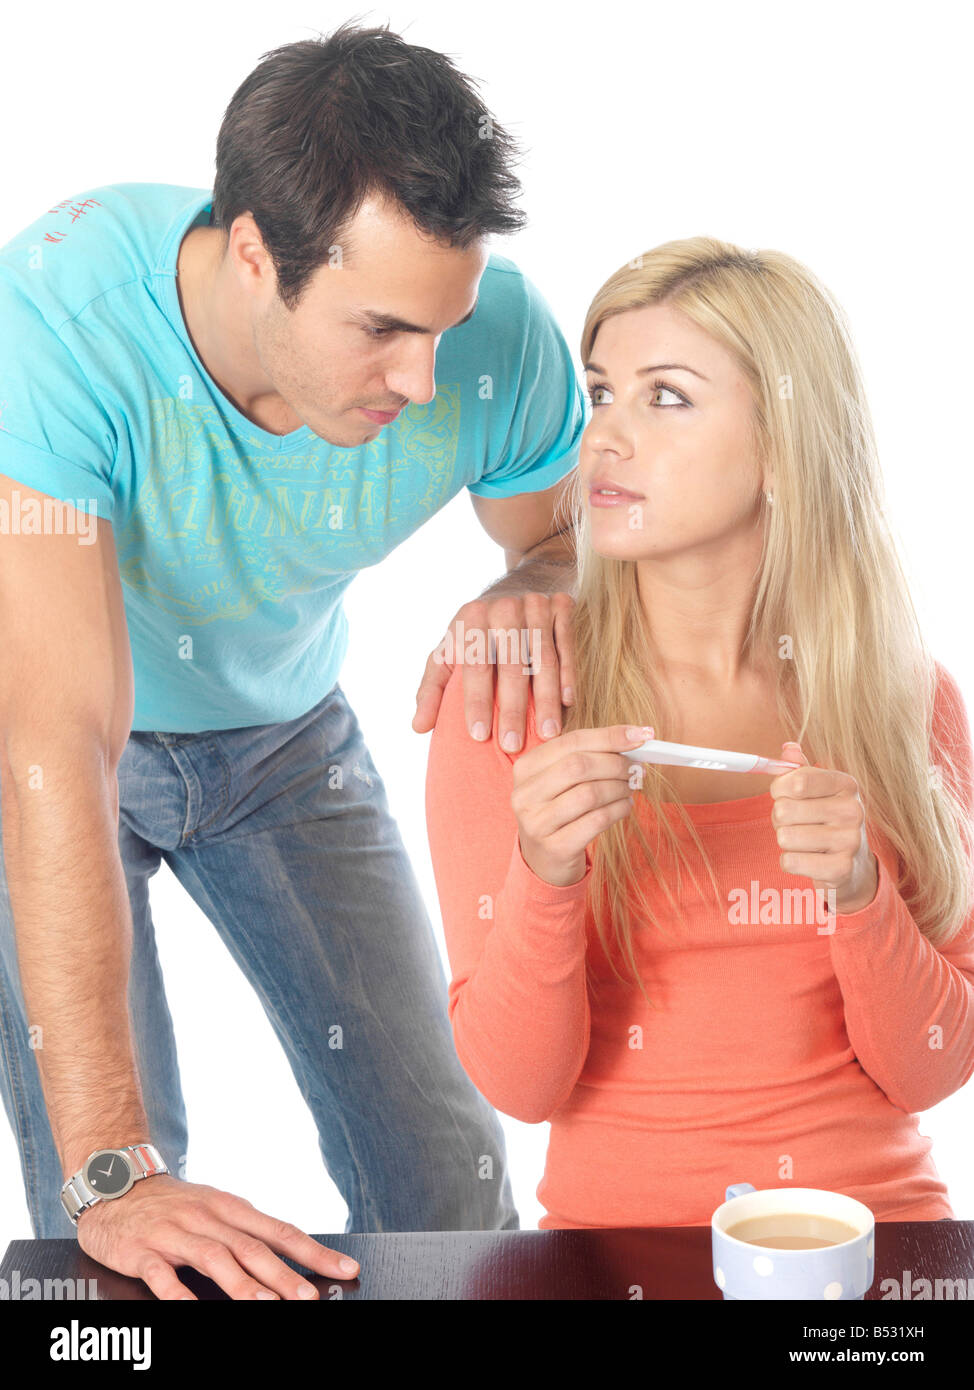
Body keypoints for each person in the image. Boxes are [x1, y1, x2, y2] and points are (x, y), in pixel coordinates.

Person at [0, 23, 585, 1300]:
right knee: (105, 1219)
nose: (424, 380)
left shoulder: (490, 341)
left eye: (446, 324)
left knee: (449, 1190)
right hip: (61, 748)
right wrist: (113, 1166)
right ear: (255, 254)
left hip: (284, 740)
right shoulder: (59, 318)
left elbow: (562, 539)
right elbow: (52, 744)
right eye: (380, 328)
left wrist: (535, 586)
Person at [425, 236, 974, 1228]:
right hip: (609, 1263)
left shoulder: (905, 700)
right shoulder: (513, 697)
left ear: (781, 448)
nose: (604, 438)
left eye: (664, 396)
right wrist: (544, 872)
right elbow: (521, 1086)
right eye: (597, 393)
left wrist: (860, 895)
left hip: (871, 1248)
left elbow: (930, 1069)